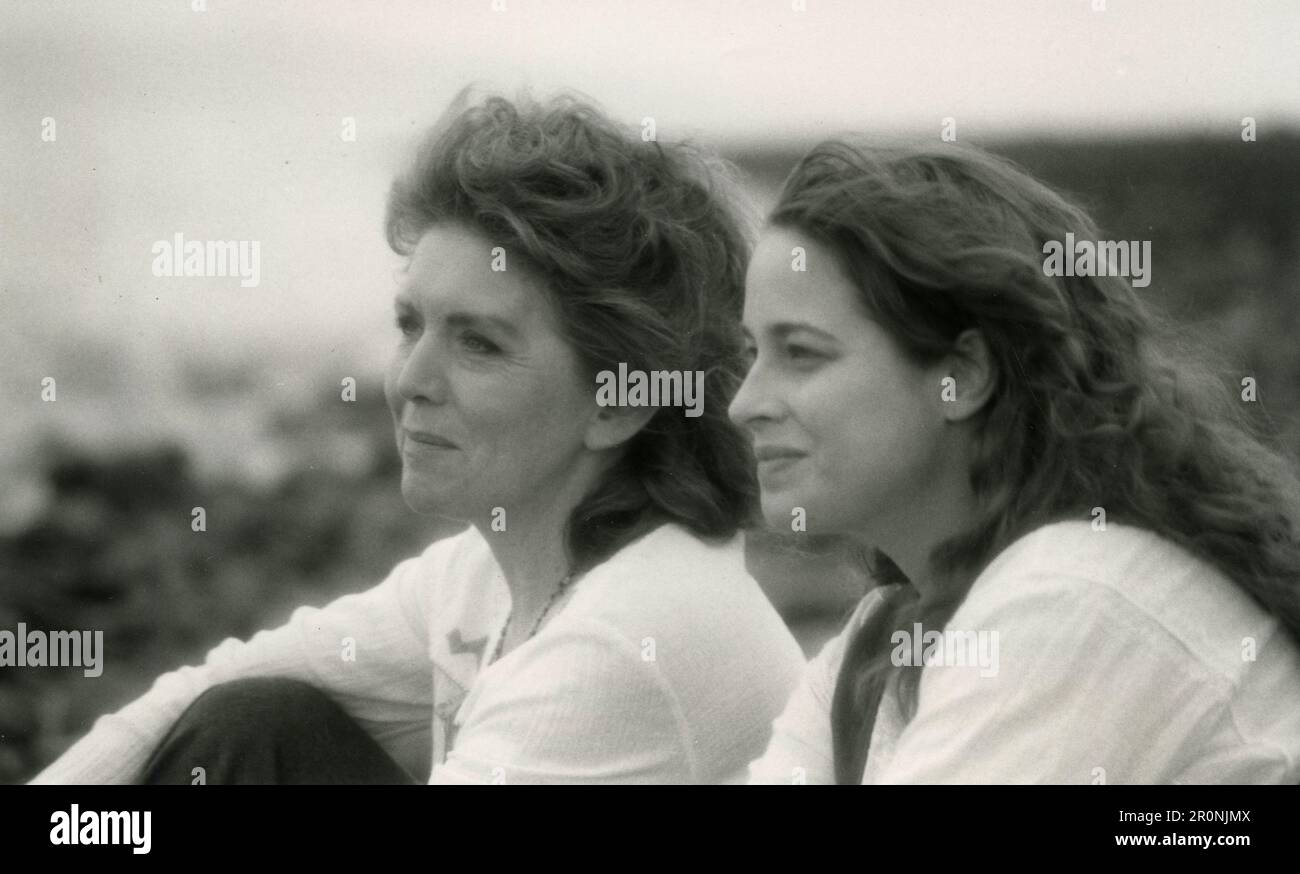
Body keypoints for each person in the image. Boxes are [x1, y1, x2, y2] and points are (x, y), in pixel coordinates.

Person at [32, 90, 804, 785]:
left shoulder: (630, 636)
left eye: (479, 344)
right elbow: (201, 692)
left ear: (620, 402)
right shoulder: (490, 572)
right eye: (412, 326)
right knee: (251, 727)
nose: (410, 382)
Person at [735, 139, 1300, 784]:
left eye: (801, 353)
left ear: (965, 374)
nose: (743, 403)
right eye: (751, 352)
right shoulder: (881, 640)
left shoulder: (1075, 595)